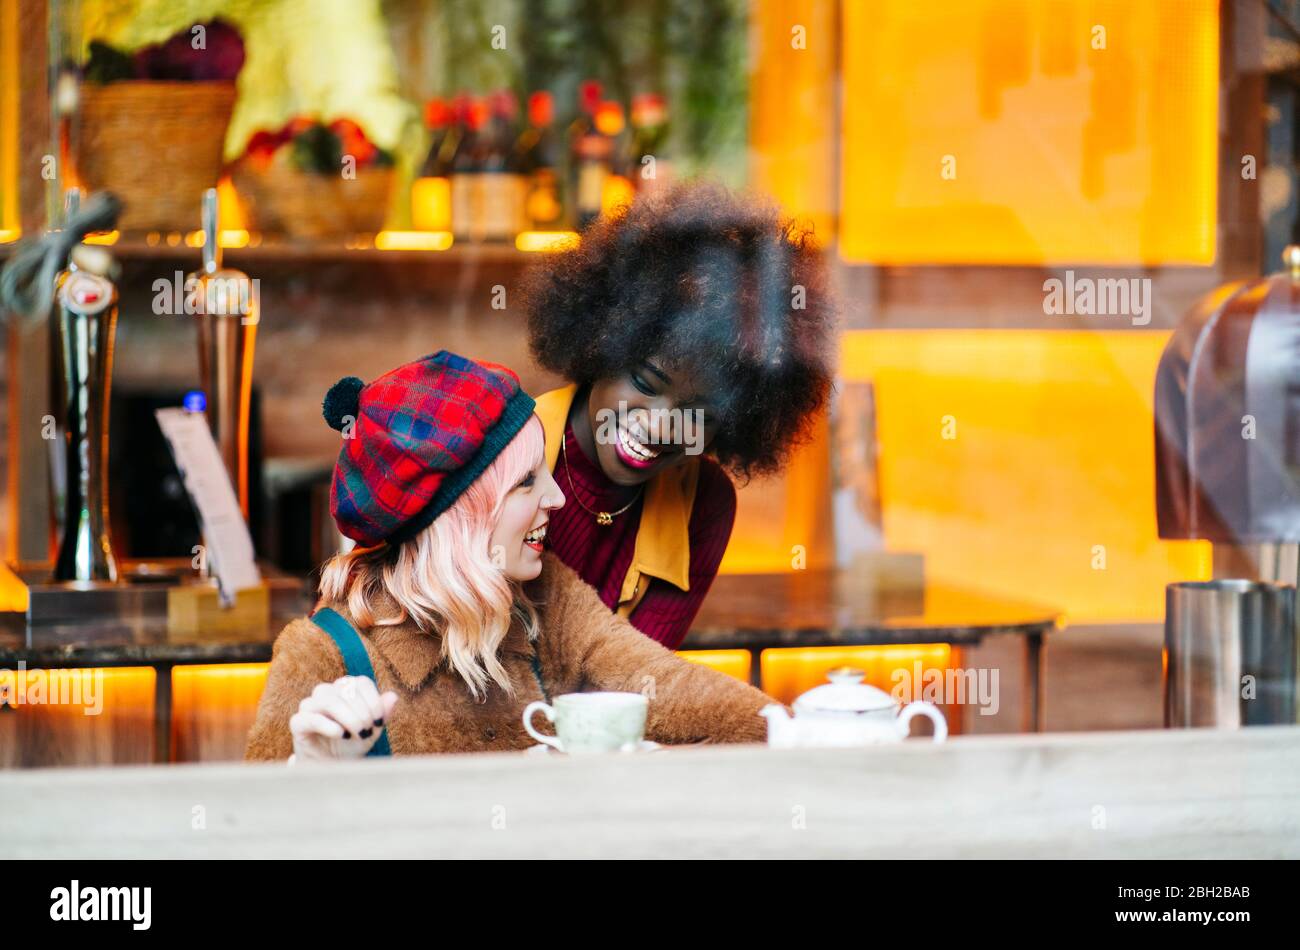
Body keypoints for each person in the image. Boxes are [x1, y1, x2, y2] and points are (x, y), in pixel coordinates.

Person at [244, 351, 777, 762]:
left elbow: (667, 687)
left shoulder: (552, 595)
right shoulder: (319, 657)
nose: (558, 497)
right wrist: (312, 771)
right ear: (459, 510)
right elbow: (249, 835)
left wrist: (789, 726)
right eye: (526, 482)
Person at [524, 181, 836, 649]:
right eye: (646, 384)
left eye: (698, 414)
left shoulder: (703, 505)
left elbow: (638, 679)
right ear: (596, 350)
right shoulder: (503, 454)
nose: (658, 425)